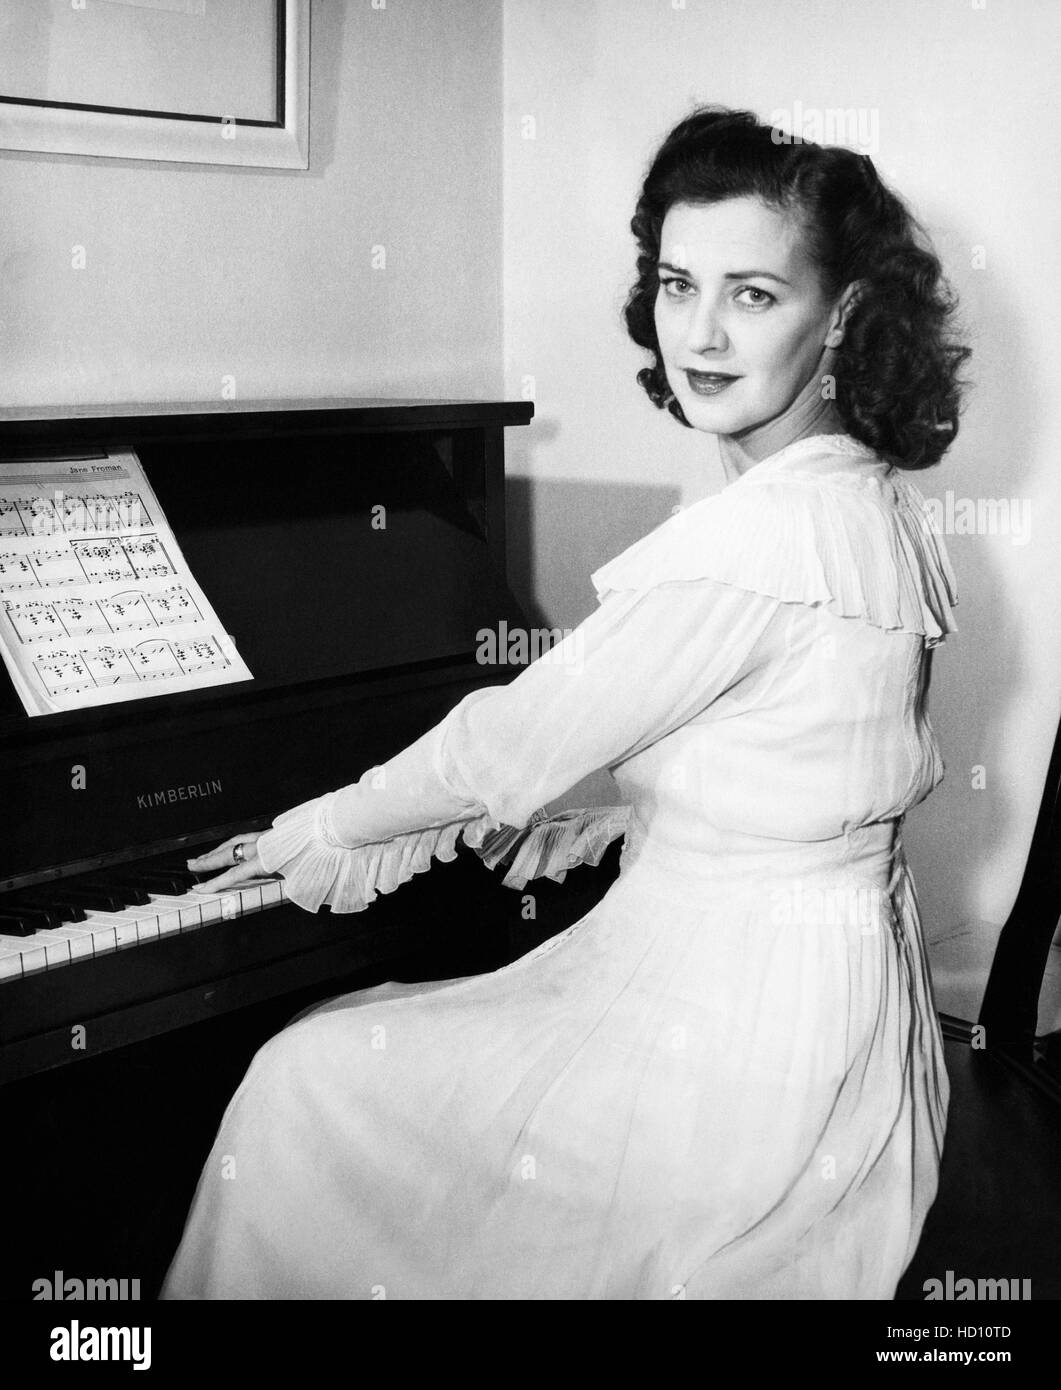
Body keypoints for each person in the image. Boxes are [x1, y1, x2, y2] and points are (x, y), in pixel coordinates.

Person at [161, 107, 970, 1300]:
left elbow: (506, 742)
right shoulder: (859, 497)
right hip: (836, 1012)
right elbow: (788, 770)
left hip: (745, 1057)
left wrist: (317, 830)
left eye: (751, 294)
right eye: (674, 283)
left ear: (841, 312)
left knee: (304, 1078)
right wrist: (607, 827)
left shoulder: (760, 534)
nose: (696, 331)